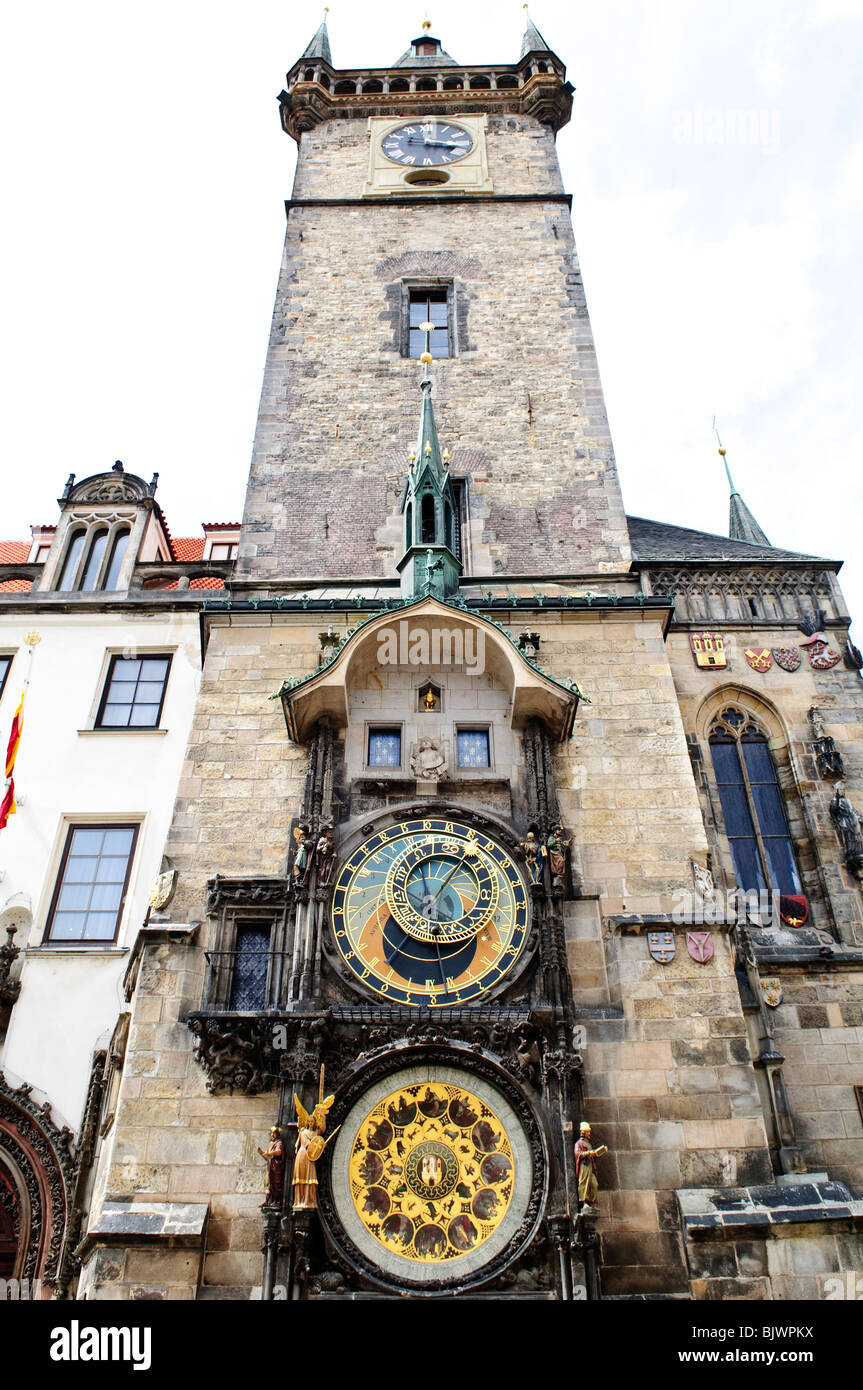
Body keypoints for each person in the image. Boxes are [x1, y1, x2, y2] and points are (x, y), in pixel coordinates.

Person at [292, 1093, 335, 1210]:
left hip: (311, 1157)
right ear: (307, 1122)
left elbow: (323, 1129)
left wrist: (322, 1116)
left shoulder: (316, 1132)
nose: (311, 1123)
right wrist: (318, 1146)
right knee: (301, 1177)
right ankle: (299, 1200)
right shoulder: (303, 1132)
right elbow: (308, 1144)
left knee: (310, 1177)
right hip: (303, 1155)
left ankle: (308, 1200)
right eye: (309, 1121)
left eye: (312, 1122)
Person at [574, 1121, 607, 1213]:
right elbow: (577, 1154)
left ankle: (591, 1202)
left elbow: (592, 1153)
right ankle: (585, 1203)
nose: (589, 1134)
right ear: (584, 1133)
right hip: (584, 1166)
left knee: (594, 1184)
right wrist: (589, 1153)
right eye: (588, 1132)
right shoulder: (579, 1144)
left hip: (590, 1166)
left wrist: (597, 1153)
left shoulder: (588, 1144)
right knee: (584, 1183)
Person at [257, 1126, 286, 1206]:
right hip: (270, 1166)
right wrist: (261, 1153)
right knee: (268, 1183)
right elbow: (267, 1157)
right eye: (271, 1133)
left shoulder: (279, 1143)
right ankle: (268, 1201)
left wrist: (270, 1153)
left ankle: (277, 1202)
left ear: (277, 1134)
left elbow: (279, 1152)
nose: (272, 1135)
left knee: (276, 1184)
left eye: (274, 1133)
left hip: (276, 1167)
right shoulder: (270, 1143)